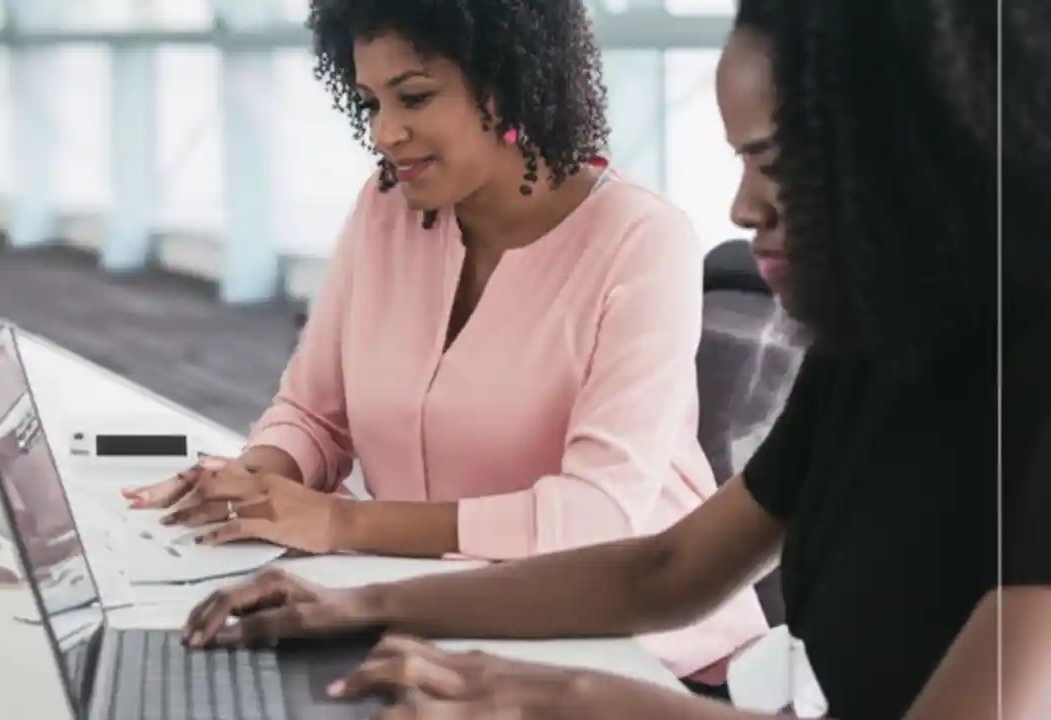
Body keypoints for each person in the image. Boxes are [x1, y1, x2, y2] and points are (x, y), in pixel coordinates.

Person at [173, 1, 1051, 718]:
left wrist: (582, 697)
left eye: (773, 162)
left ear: (917, 146)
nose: (741, 207)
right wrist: (361, 607)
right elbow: (663, 569)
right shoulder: (872, 352)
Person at [126, 0, 769, 686]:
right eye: (370, 101)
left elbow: (596, 519)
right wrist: (256, 482)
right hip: (435, 620)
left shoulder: (641, 240)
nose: (385, 131)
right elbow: (314, 413)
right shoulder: (384, 210)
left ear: (510, 78)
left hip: (639, 654)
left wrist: (343, 524)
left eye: (415, 96)